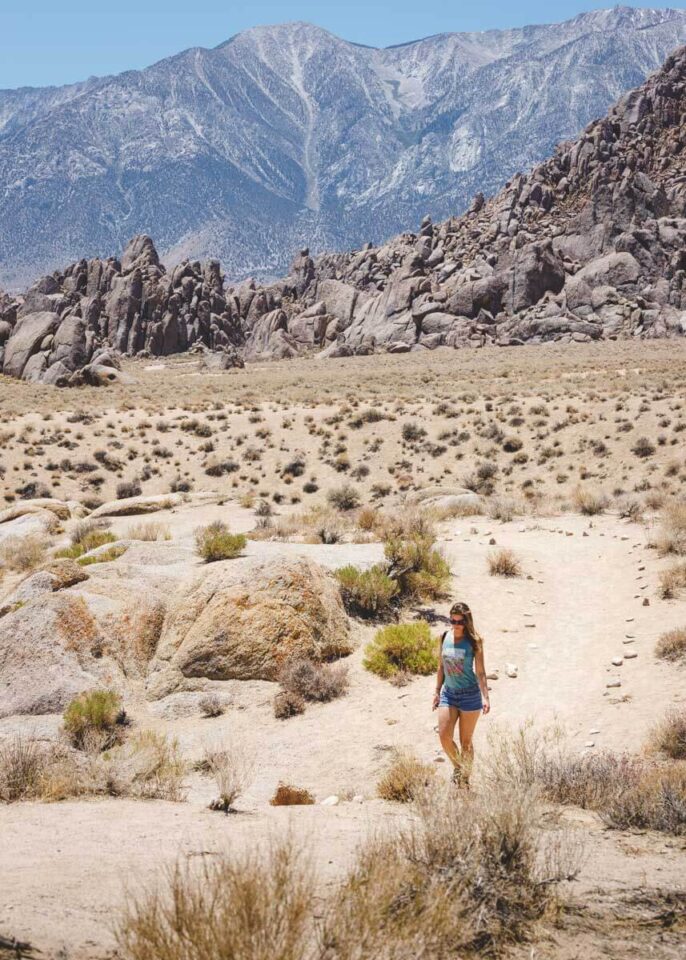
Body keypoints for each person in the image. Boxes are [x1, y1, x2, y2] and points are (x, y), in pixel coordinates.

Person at [432, 601, 490, 785]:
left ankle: (465, 779)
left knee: (466, 742)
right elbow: (441, 667)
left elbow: (480, 672)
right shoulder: (444, 637)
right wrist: (436, 691)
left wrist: (485, 697)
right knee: (444, 735)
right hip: (449, 693)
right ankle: (459, 767)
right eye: (453, 621)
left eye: (460, 622)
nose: (456, 625)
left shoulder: (474, 641)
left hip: (470, 695)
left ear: (466, 622)